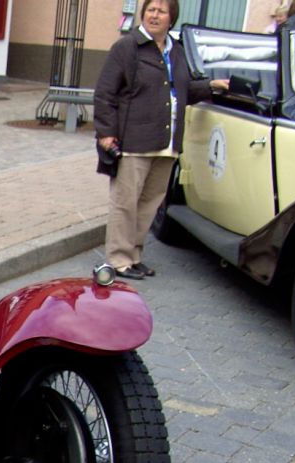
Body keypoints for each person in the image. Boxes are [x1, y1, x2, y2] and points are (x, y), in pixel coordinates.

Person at [93, 0, 228, 280]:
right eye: (151, 9)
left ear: (171, 18)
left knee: (149, 203)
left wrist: (211, 86)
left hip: (166, 142)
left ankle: (134, 255)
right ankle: (118, 259)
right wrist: (106, 133)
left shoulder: (175, 50)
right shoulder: (128, 47)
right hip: (134, 140)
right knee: (125, 202)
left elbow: (182, 89)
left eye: (161, 11)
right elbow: (105, 92)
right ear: (143, 14)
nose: (155, 15)